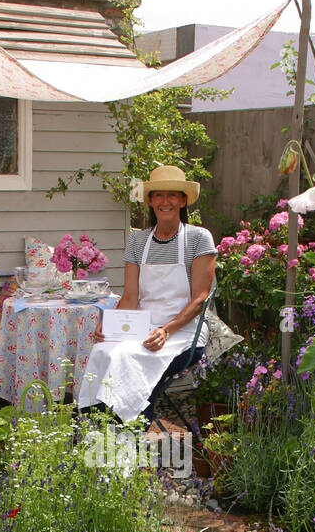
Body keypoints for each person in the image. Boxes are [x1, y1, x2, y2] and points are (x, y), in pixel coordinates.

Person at [76, 165, 216, 425]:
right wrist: (109, 324)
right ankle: (94, 430)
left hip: (184, 332)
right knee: (101, 352)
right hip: (143, 326)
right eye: (159, 195)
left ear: (183, 200)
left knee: (126, 357)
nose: (165, 202)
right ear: (150, 201)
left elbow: (200, 299)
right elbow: (130, 297)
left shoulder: (199, 238)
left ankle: (129, 437)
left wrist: (166, 330)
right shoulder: (138, 241)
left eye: (172, 195)